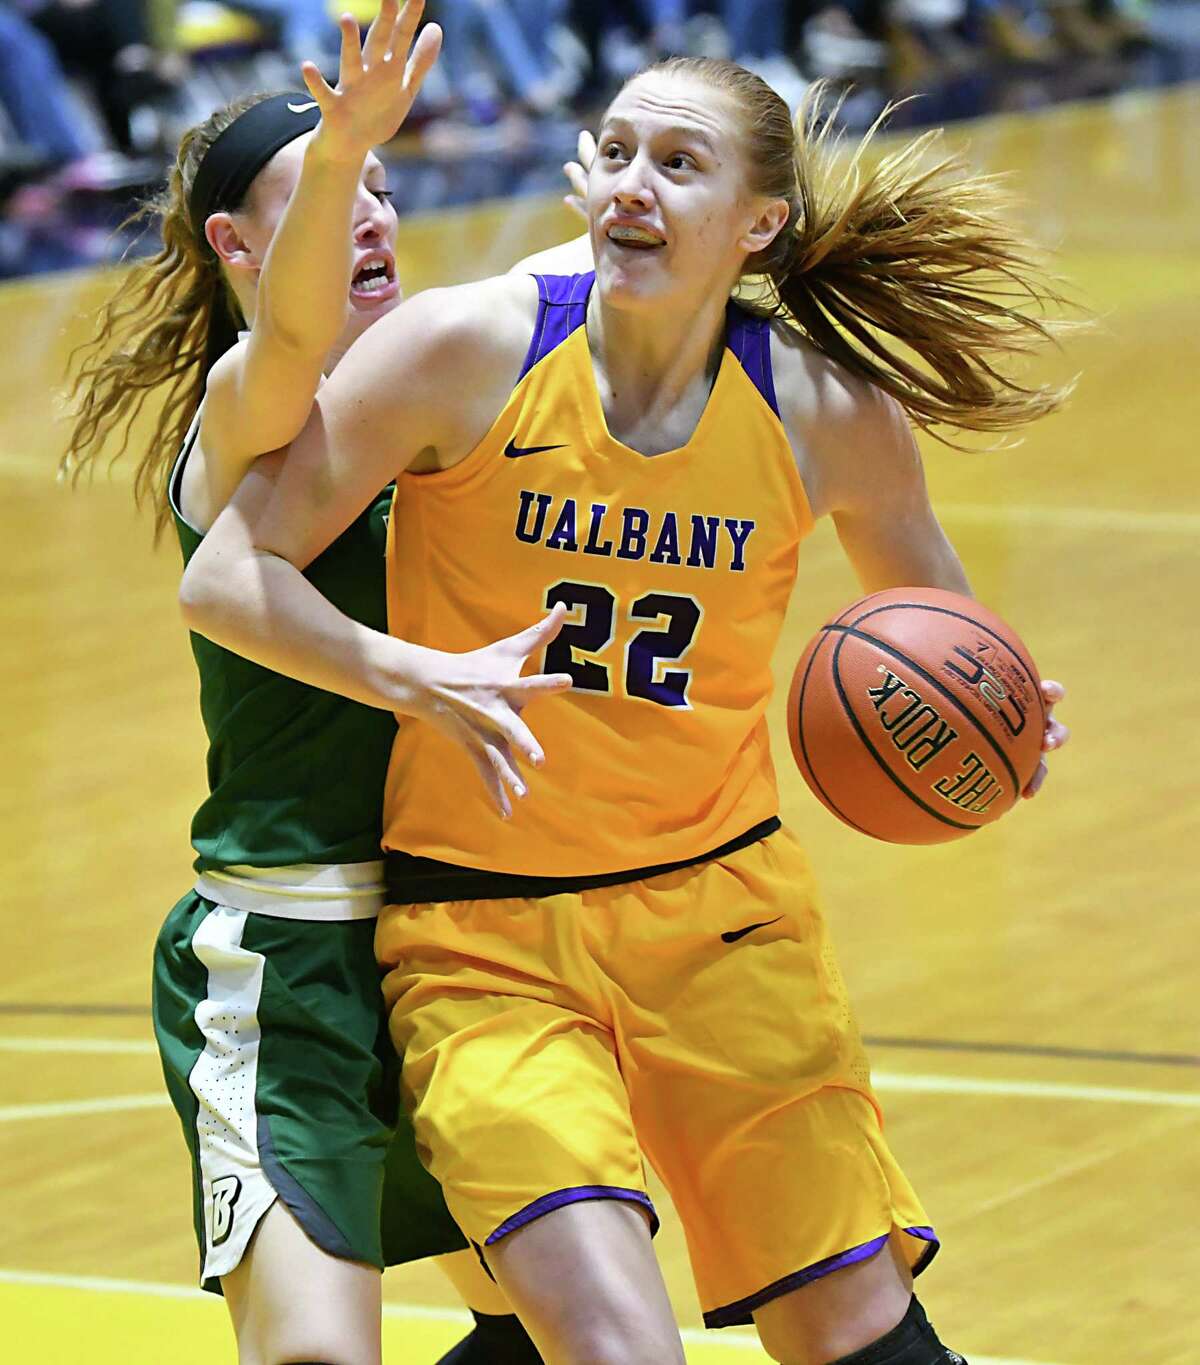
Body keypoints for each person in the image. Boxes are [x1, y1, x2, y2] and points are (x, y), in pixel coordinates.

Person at [178, 61, 1072, 1364]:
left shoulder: (828, 407)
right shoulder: (468, 345)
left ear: (757, 223)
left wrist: (999, 723)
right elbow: (228, 571)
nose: (634, 183)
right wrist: (417, 671)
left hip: (725, 920)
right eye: (616, 150)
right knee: (610, 1345)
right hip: (485, 937)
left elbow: (945, 629)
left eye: (678, 162)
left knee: (855, 1332)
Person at [62, 4, 561, 1361]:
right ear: (237, 244)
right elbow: (287, 347)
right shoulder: (244, 413)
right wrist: (345, 144)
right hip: (282, 963)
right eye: (336, 192)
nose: (376, 216)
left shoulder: (441, 405)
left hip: (450, 948)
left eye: (389, 188)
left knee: (553, 1328)